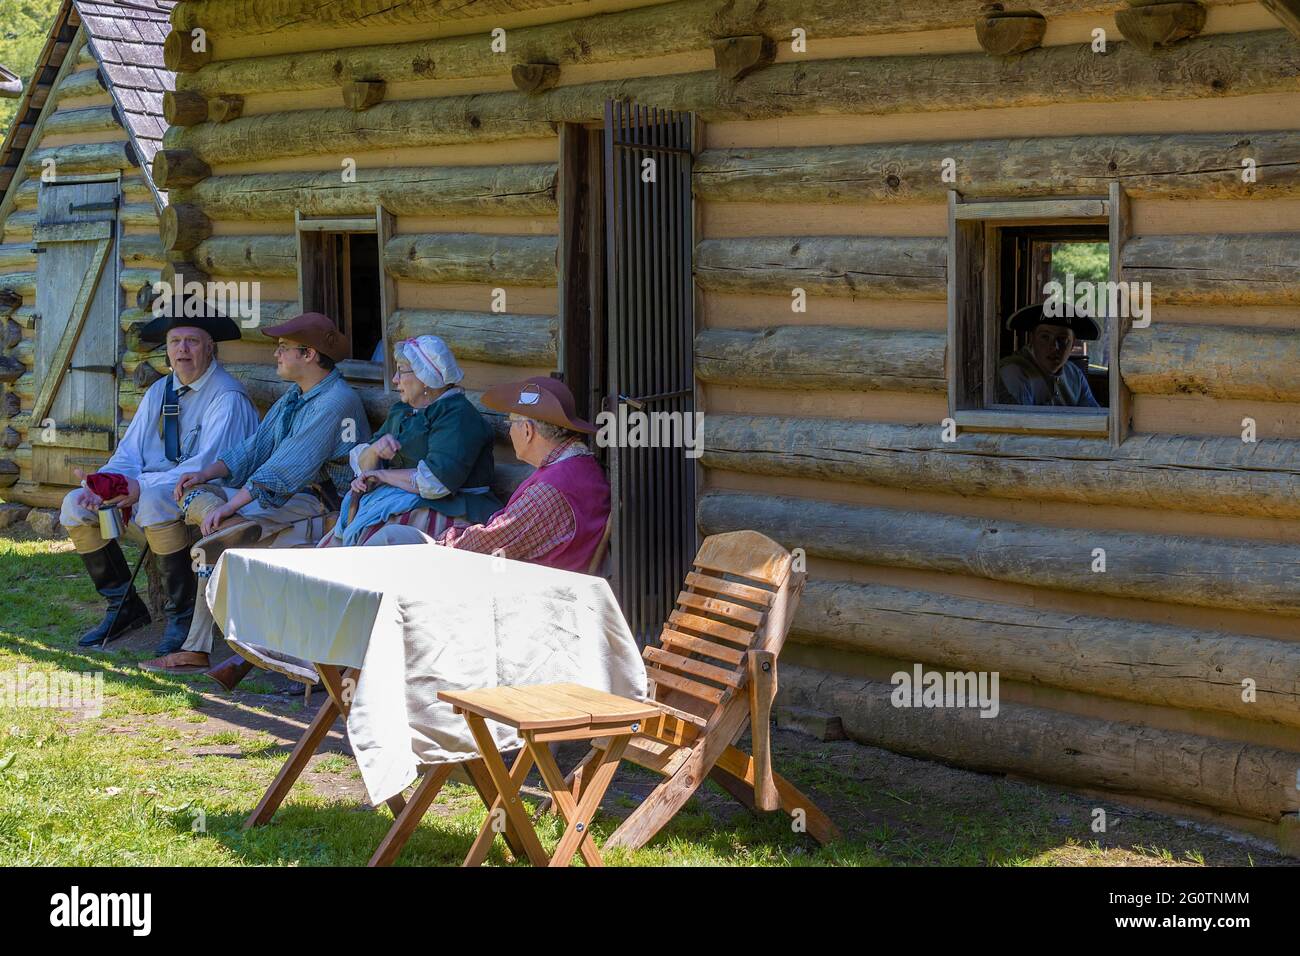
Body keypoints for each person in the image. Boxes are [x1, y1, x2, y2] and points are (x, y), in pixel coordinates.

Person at [140, 313, 370, 676]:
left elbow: (287, 466)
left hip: (323, 504)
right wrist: (205, 473)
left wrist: (231, 503)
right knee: (200, 501)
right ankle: (228, 524)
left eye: (283, 348)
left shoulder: (335, 402)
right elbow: (253, 449)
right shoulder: (296, 396)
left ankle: (197, 647)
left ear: (308, 354)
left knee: (214, 544)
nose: (276, 355)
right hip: (285, 498)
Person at [59, 306, 257, 653]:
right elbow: (130, 453)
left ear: (210, 348)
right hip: (153, 491)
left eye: (192, 342)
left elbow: (208, 464)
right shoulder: (160, 391)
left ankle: (181, 616)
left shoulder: (227, 397)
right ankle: (123, 606)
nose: (182, 349)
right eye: (175, 341)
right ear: (166, 349)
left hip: (214, 495)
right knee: (74, 506)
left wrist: (141, 488)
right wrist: (106, 483)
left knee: (153, 499)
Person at [368, 376, 611, 573]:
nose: (510, 430)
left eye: (511, 423)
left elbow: (490, 543)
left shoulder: (551, 488)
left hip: (531, 591)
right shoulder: (581, 466)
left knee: (392, 541)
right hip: (539, 578)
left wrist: (439, 544)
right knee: (395, 539)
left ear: (526, 430)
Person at [324, 334, 499, 546]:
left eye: (401, 370)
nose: (395, 379)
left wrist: (383, 474)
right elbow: (365, 466)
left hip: (451, 508)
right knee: (329, 548)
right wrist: (373, 453)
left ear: (425, 376)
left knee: (374, 544)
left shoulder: (457, 415)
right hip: (404, 501)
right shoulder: (405, 411)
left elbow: (437, 482)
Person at [996, 303, 1101, 407]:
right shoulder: (1014, 373)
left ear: (1072, 345)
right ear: (1032, 339)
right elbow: (1021, 422)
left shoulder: (1074, 374)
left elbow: (1094, 415)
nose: (1054, 347)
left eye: (1063, 339)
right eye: (1045, 337)